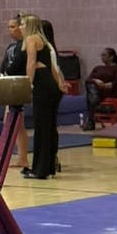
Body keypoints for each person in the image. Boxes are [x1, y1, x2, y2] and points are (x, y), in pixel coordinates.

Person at [21, 13, 68, 180]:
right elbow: (53, 68)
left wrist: (28, 84)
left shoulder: (31, 39)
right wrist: (59, 84)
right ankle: (47, 168)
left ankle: (40, 170)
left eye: (22, 25)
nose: (20, 28)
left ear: (29, 26)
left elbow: (31, 63)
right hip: (50, 85)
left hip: (42, 84)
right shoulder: (46, 42)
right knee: (48, 127)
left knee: (41, 127)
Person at [0, 13, 31, 170]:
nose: (9, 30)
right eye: (8, 27)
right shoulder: (11, 47)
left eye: (12, 27)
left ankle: (4, 160)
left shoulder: (26, 45)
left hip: (18, 87)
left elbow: (19, 66)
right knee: (18, 125)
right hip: (9, 86)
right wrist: (0, 76)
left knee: (11, 124)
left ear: (21, 27)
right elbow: (4, 66)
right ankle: (22, 158)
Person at [81, 47, 117, 130]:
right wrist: (96, 81)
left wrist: (105, 85)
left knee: (90, 94)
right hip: (96, 89)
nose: (102, 57)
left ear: (111, 57)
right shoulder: (98, 68)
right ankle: (94, 98)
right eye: (101, 55)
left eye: (104, 55)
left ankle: (90, 121)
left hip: (108, 91)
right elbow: (88, 79)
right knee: (90, 85)